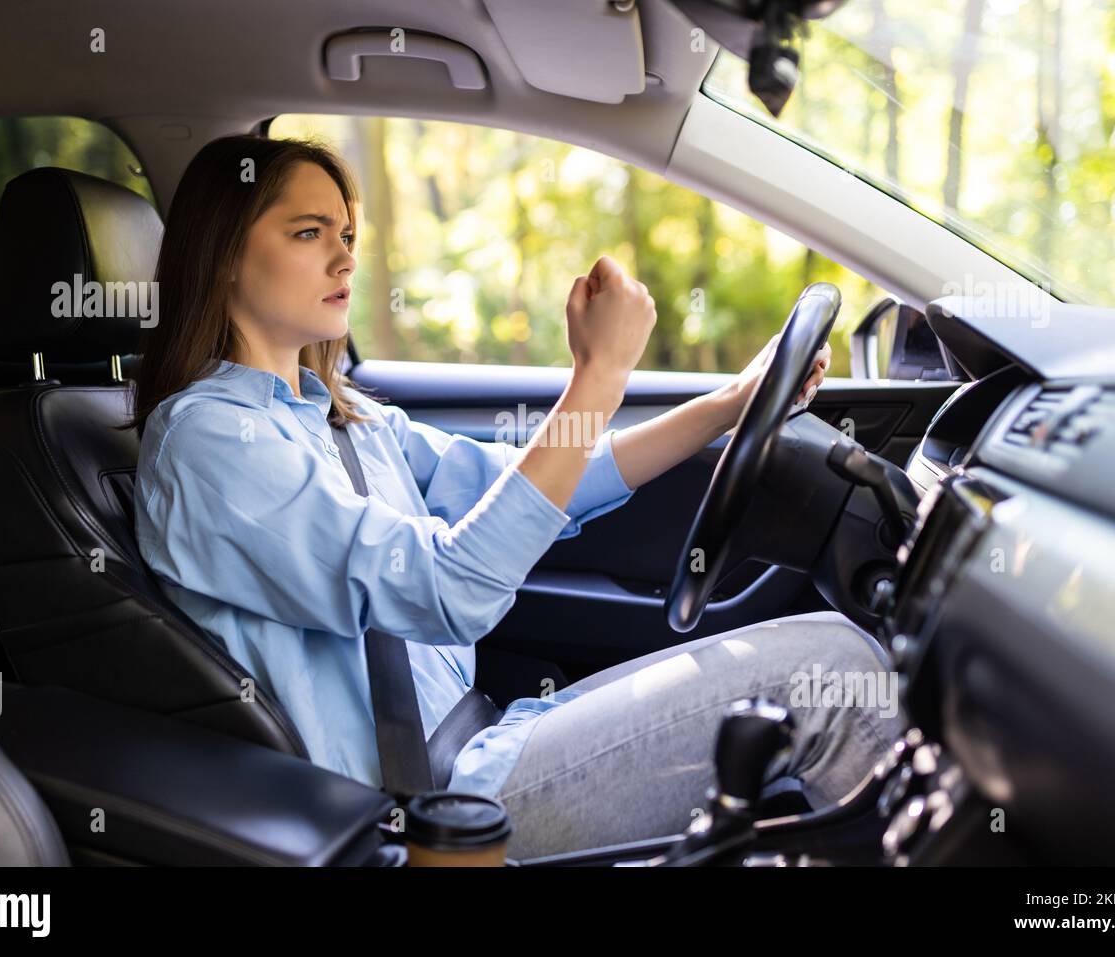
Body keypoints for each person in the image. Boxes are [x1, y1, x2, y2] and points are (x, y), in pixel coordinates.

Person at [127, 134, 906, 860]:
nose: (343, 258)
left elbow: (528, 487)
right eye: (309, 233)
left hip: (490, 740)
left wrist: (727, 404)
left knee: (823, 649)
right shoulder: (209, 444)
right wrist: (596, 378)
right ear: (225, 256)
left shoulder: (343, 414)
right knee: (828, 670)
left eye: (347, 235)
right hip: (425, 807)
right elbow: (452, 587)